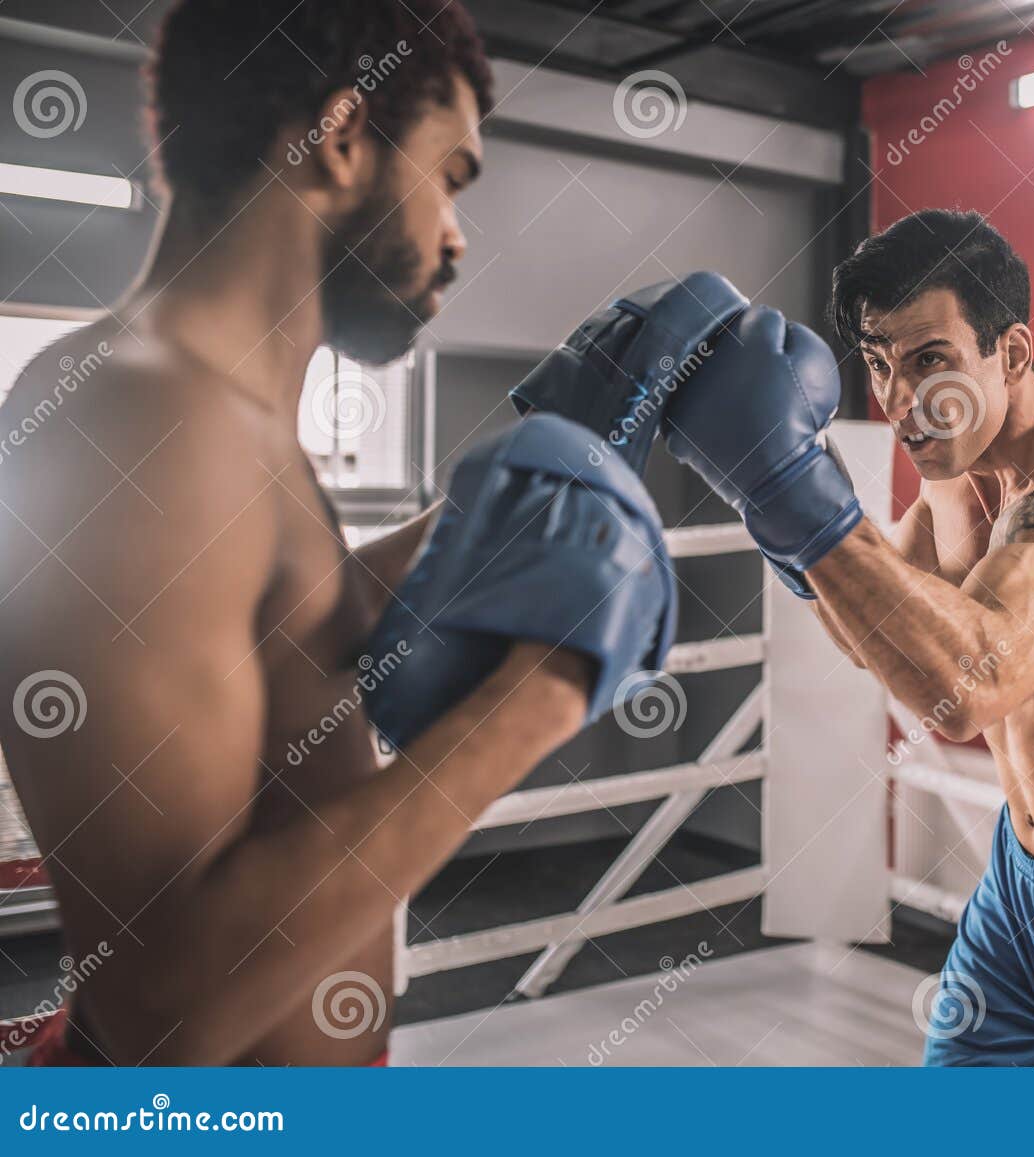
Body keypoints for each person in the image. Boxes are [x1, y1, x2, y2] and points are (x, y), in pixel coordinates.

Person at [0, 0, 675, 1066]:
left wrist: (531, 483)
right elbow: (158, 1005)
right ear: (344, 138)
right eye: (450, 177)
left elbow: (270, 651)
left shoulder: (231, 420)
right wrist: (534, 698)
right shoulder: (141, 419)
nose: (456, 235)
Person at [661, 209, 1034, 1066]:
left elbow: (968, 686)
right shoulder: (956, 486)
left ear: (1013, 354)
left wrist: (791, 489)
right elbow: (878, 635)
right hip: (1021, 892)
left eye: (929, 361)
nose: (901, 404)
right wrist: (767, 507)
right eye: (879, 367)